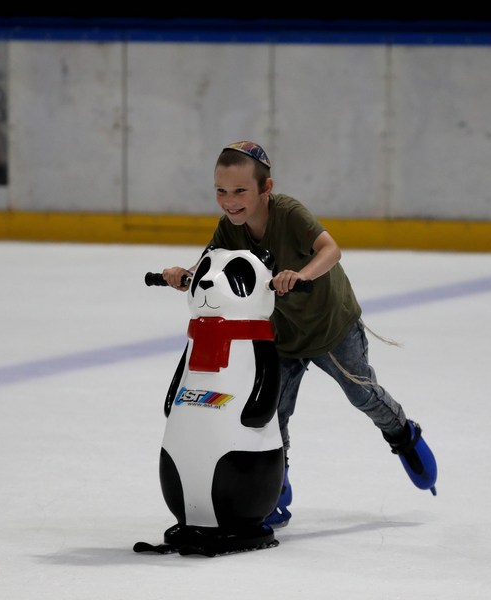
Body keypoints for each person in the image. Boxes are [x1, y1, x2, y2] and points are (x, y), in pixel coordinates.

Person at [160, 140, 437, 527]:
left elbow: (331, 249)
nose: (230, 201)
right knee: (273, 413)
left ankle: (402, 433)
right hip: (282, 335)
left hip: (329, 327)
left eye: (240, 191)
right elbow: (209, 265)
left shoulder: (288, 213)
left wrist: (301, 274)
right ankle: (275, 488)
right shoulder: (230, 227)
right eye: (221, 191)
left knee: (362, 393)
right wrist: (184, 275)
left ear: (265, 189)